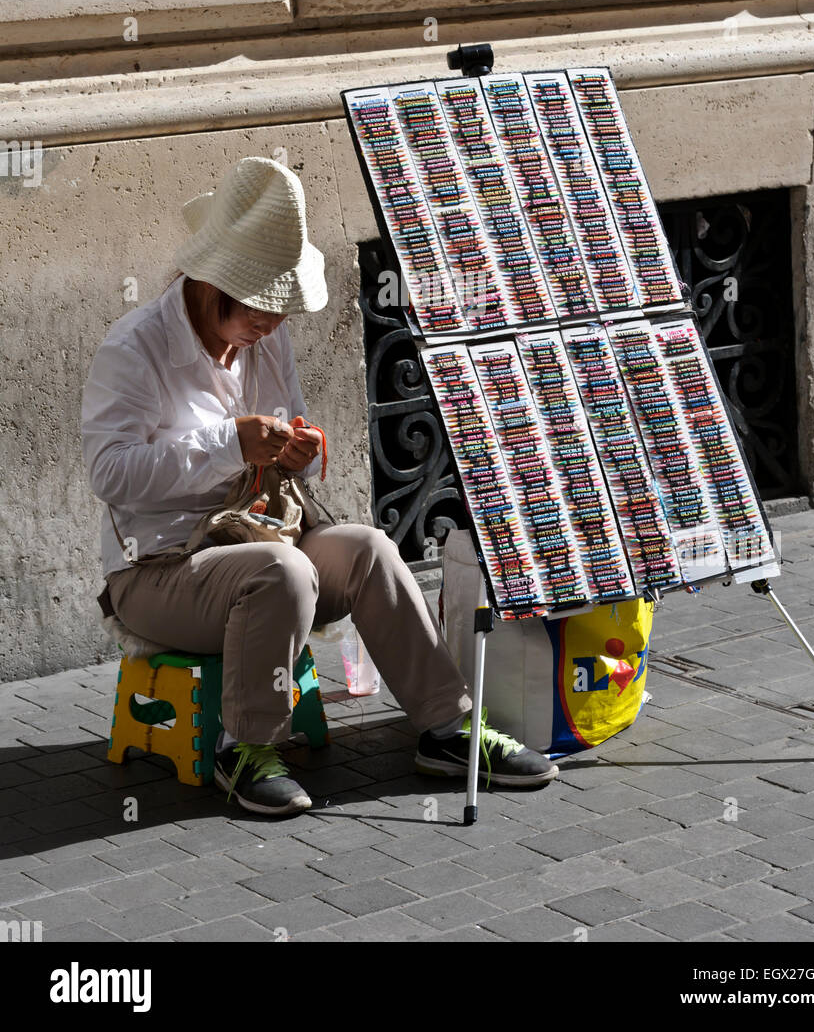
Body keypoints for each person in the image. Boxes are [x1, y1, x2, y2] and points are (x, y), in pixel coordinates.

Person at [80, 155, 557, 816]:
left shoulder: (263, 343)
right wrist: (228, 444)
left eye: (281, 310)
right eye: (261, 306)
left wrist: (291, 452)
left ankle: (446, 729)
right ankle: (243, 749)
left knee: (366, 547)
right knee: (280, 571)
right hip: (158, 571)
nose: (272, 325)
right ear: (212, 281)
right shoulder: (134, 349)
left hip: (258, 535)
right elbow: (110, 474)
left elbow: (283, 460)